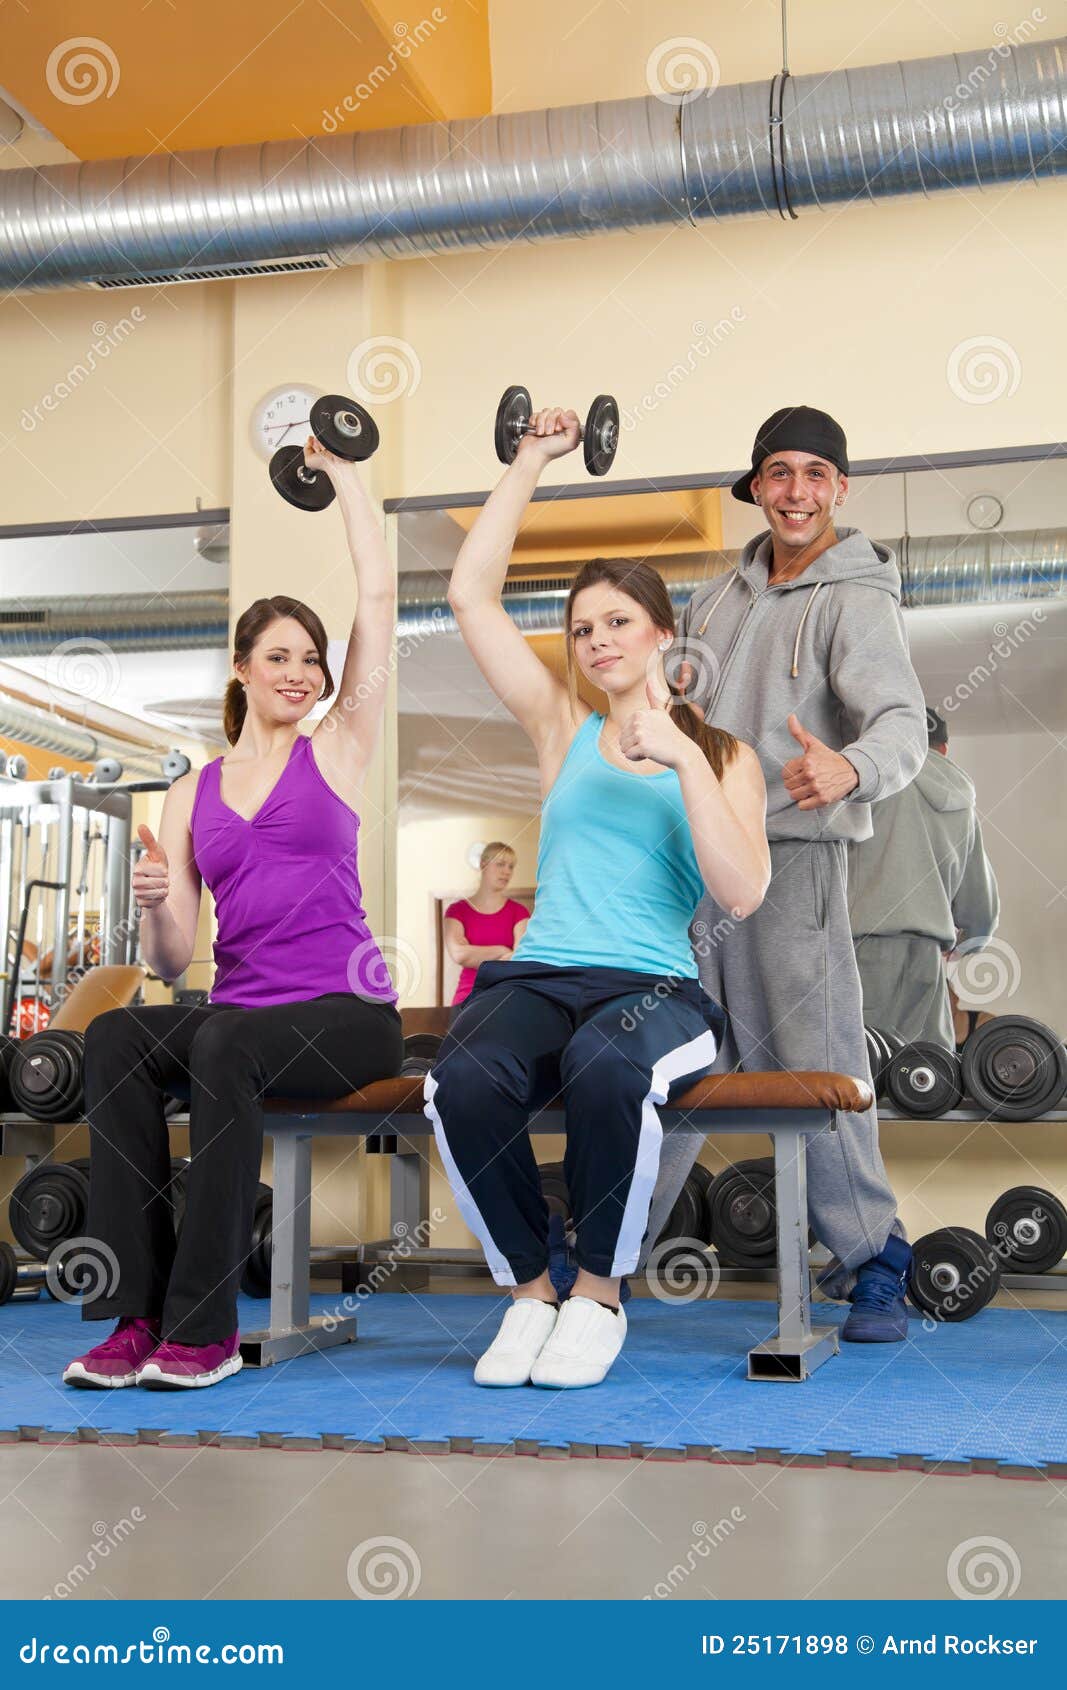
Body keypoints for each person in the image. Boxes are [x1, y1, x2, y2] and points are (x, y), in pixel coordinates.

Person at [424, 404, 769, 1390]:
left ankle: (599, 1294)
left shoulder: (721, 752)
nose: (597, 639)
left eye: (618, 620)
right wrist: (532, 457)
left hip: (652, 986)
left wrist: (682, 762)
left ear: (662, 631)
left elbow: (740, 893)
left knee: (602, 1061)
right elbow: (468, 592)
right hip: (539, 972)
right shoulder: (558, 727)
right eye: (581, 628)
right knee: (464, 1077)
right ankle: (532, 1287)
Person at [63, 438, 403, 1391]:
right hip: (244, 1018)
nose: (300, 673)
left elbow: (376, 603)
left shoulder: (335, 750)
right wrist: (154, 907)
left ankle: (204, 1329)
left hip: (347, 1018)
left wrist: (342, 477)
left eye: (312, 659)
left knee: (223, 1045)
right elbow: (178, 959)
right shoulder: (192, 790)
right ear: (243, 668)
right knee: (117, 1038)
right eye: (279, 657)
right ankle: (135, 1317)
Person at [646, 405, 928, 1342]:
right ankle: (608, 1249)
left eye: (814, 474)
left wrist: (852, 767)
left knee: (814, 1065)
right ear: (755, 488)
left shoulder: (857, 597)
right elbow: (677, 714)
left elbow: (898, 718)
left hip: (794, 857)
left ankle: (875, 1254)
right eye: (778, 473)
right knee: (671, 1061)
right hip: (699, 863)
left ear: (838, 488)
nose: (795, 491)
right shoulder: (717, 600)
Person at [849, 706, 999, 1047]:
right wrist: (967, 943)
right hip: (927, 955)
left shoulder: (867, 779)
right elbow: (981, 908)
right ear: (943, 749)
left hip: (860, 947)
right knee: (926, 1076)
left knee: (860, 1073)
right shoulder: (962, 803)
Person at [443, 842, 530, 1011]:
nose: (507, 871)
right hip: (466, 998)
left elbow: (519, 960)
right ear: (483, 864)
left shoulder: (519, 912)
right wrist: (502, 951)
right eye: (500, 864)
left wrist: (475, 954)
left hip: (506, 996)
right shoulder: (457, 910)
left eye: (511, 866)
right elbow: (460, 954)